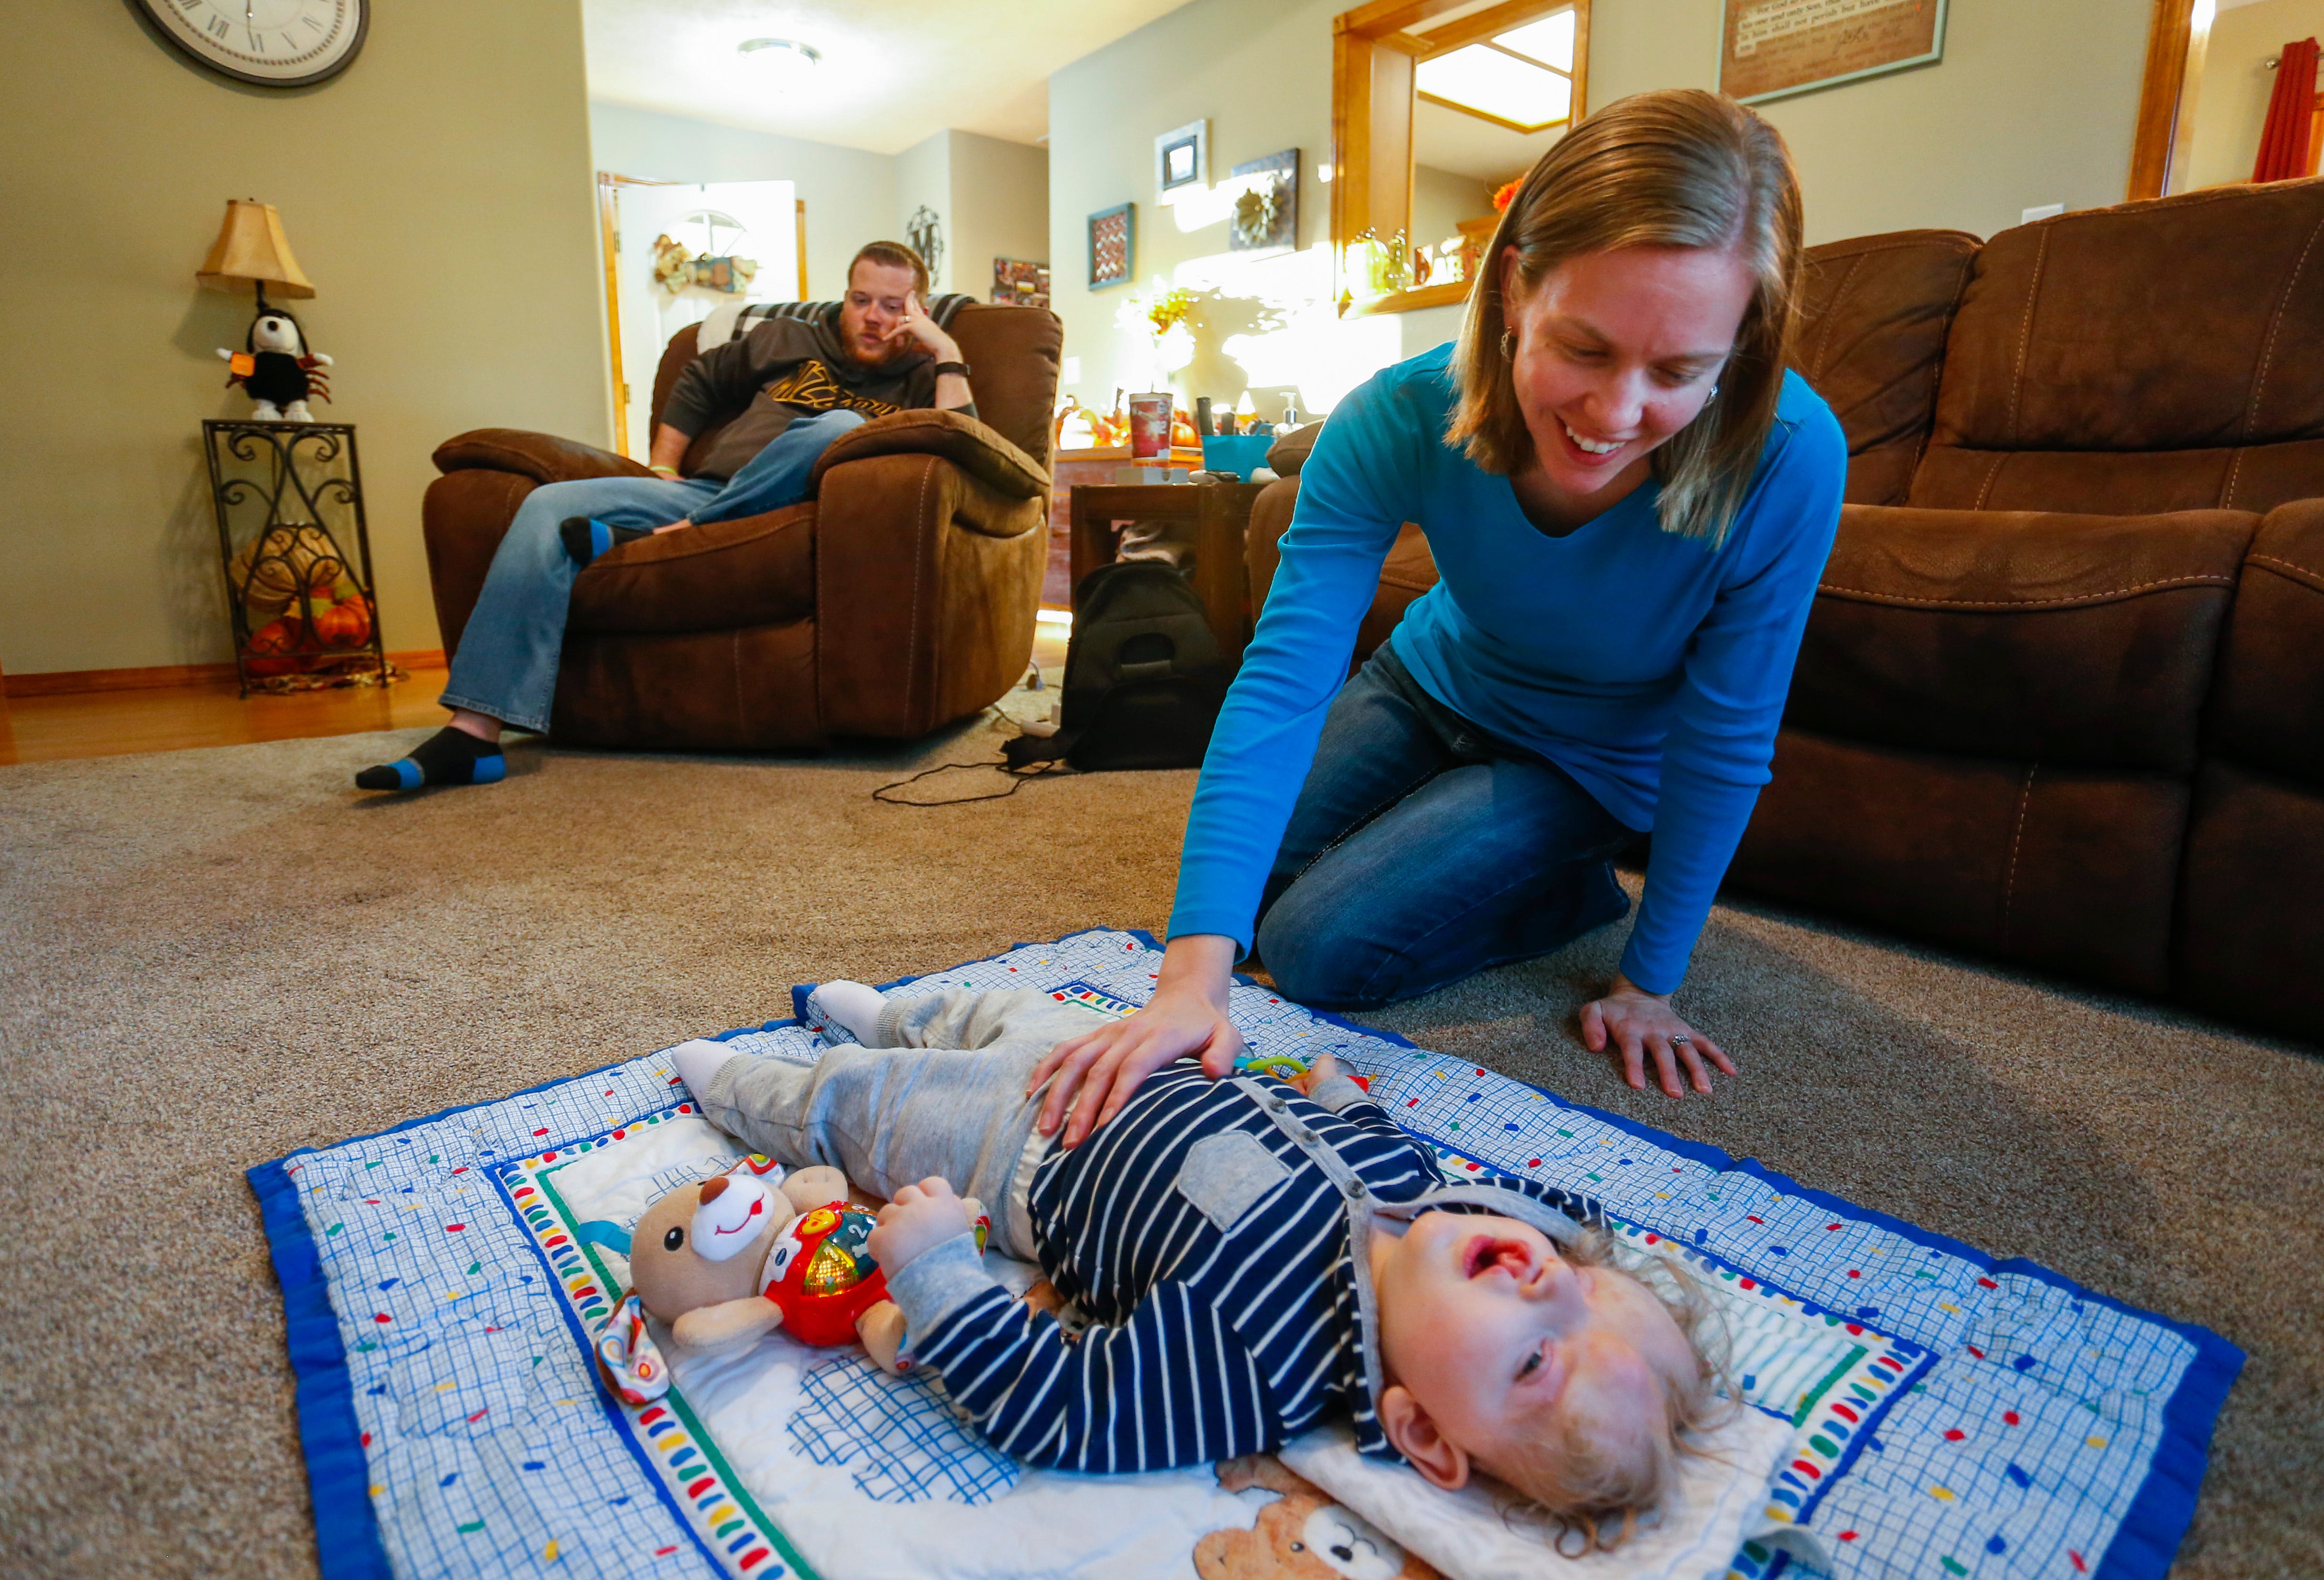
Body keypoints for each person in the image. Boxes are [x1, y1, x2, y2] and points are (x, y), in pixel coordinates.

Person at [1029, 90, 1845, 1120]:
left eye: (1679, 371)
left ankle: (1569, 883)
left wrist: (1649, 982)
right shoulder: (1393, 413)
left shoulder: (1788, 456)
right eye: (1583, 348)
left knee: (1316, 948)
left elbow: (1728, 734)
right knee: (1239, 902)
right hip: (1428, 683)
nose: (1615, 414)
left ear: (1740, 347)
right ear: (1514, 288)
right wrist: (1189, 980)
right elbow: (1284, 676)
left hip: (1585, 764)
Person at [669, 982, 1727, 1534]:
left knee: (860, 1105)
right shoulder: (1425, 1207)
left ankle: (733, 1084)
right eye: (1588, 1286)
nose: (1545, 1286)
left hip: (1025, 1156)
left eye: (1536, 1361)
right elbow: (1384, 1152)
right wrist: (1343, 1103)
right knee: (992, 1012)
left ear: (1421, 1431)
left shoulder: (1262, 1361)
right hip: (1130, 1064)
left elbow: (1066, 1407)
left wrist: (939, 1268)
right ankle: (894, 1010)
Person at [357, 240, 978, 792]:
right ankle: (475, 731)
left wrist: (947, 350)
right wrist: (660, 470)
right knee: (546, 506)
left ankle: (679, 535)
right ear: (844, 298)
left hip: (790, 515)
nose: (874, 316)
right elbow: (700, 382)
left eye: (894, 306)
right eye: (861, 298)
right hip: (700, 495)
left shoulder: (924, 374)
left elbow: (960, 443)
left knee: (839, 426)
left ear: (915, 310)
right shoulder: (787, 338)